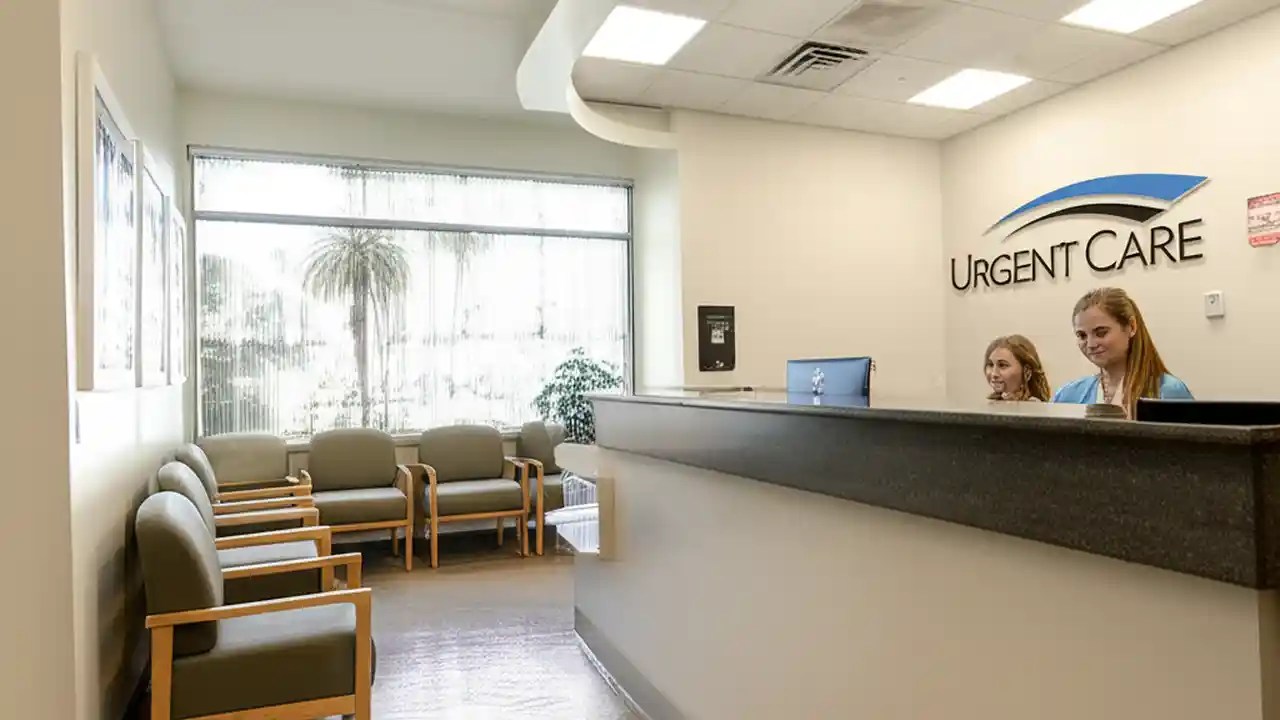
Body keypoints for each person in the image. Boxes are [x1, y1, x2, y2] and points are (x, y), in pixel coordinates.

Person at [1051, 287, 1192, 417]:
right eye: (1082, 336)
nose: (1091, 344)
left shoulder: (1167, 391)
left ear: (1131, 327)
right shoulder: (1068, 395)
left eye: (1101, 333)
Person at [984, 334, 1051, 401]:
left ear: (1027, 372)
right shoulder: (988, 405)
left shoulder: (1036, 407)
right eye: (990, 365)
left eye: (1002, 365)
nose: (994, 374)